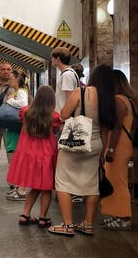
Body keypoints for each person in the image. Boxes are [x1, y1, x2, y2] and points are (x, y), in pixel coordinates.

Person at [49, 64, 116, 236]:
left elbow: (64, 114)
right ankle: (87, 224)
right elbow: (106, 129)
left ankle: (67, 225)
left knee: (63, 180)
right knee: (91, 184)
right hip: (95, 145)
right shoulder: (109, 98)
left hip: (76, 141)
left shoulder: (82, 92)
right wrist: (104, 151)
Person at [6, 85, 61, 227]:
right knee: (46, 188)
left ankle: (25, 214)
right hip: (47, 155)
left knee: (35, 187)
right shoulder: (54, 117)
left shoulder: (26, 112)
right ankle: (43, 218)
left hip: (29, 154)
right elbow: (56, 128)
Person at [100, 69, 135, 230]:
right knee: (115, 179)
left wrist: (111, 149)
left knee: (118, 182)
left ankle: (124, 218)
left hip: (118, 145)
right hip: (125, 144)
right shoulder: (129, 100)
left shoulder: (119, 101)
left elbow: (117, 126)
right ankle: (116, 214)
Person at [4, 70, 29, 200]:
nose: (9, 80)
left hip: (17, 130)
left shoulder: (20, 92)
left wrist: (10, 101)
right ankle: (19, 188)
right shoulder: (19, 91)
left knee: (17, 159)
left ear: (17, 79)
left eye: (11, 78)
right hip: (16, 129)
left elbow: (23, 104)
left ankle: (21, 190)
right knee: (16, 159)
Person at [51, 48, 79, 113]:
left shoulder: (67, 75)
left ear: (58, 59)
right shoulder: (69, 73)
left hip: (63, 118)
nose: (51, 60)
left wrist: (64, 118)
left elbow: (69, 100)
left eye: (52, 58)